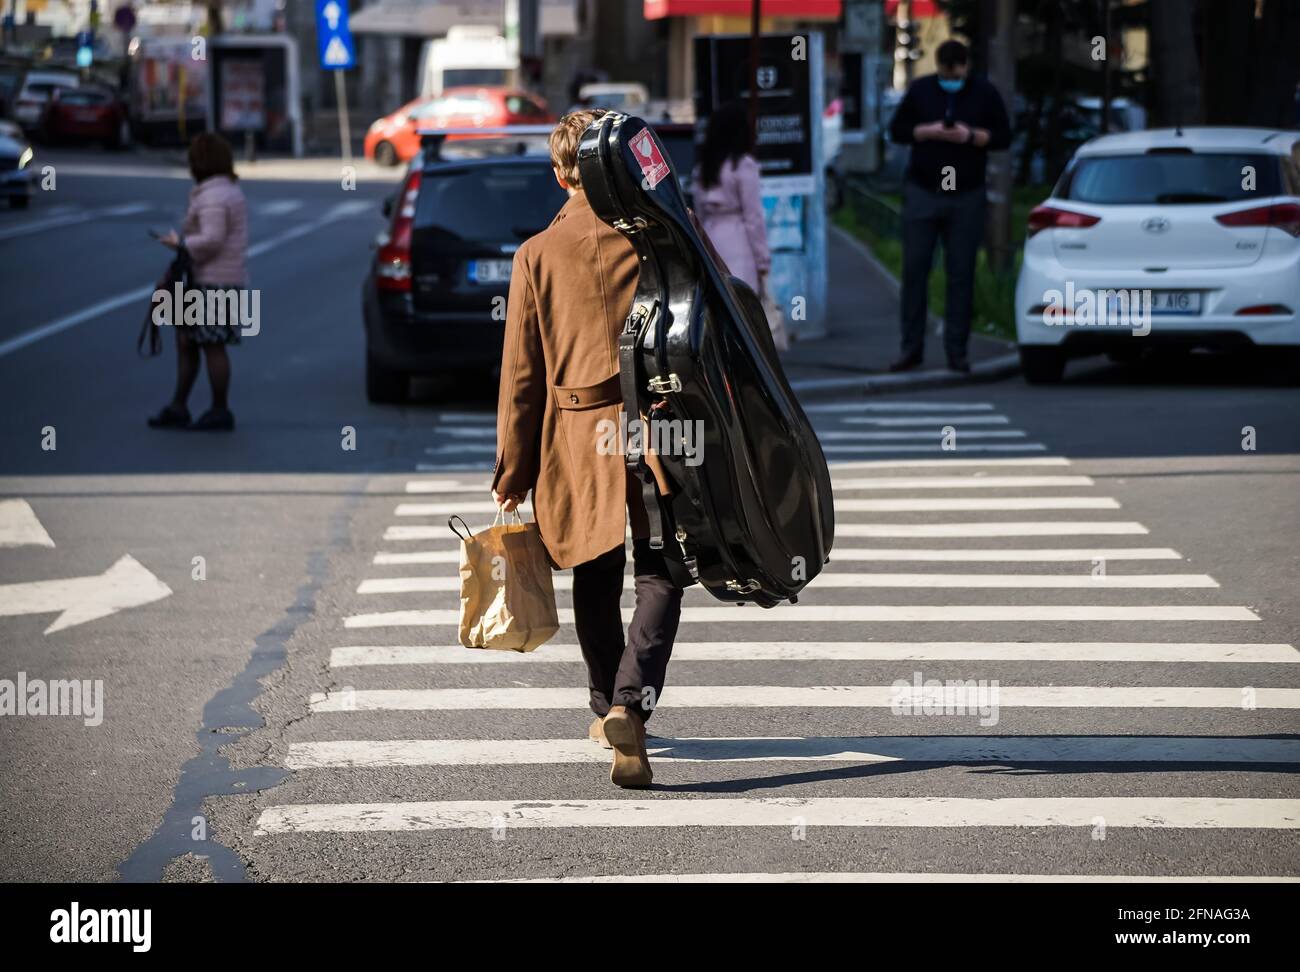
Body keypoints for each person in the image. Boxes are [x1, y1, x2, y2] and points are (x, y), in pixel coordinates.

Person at [491, 108, 683, 789]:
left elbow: (522, 374)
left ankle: (607, 707)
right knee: (660, 570)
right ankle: (634, 699)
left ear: (558, 174)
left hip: (579, 435)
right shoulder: (655, 233)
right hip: (658, 427)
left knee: (595, 575)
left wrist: (513, 468)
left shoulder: (536, 255)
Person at [888, 38, 1010, 373]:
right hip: (924, 190)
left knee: (961, 273)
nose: (952, 78)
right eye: (947, 73)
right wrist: (926, 131)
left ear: (967, 67)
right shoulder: (922, 90)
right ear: (939, 67)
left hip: (965, 193)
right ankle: (910, 348)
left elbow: (1003, 136)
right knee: (915, 271)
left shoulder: (984, 92)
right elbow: (896, 130)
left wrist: (971, 136)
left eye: (958, 73)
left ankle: (957, 351)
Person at [148, 132, 248, 431]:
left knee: (211, 346)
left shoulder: (214, 196)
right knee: (188, 342)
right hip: (216, 278)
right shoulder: (226, 190)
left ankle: (219, 410)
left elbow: (213, 239)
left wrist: (180, 245)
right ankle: (180, 405)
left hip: (213, 281)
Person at [692, 101, 770, 294]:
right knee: (743, 308)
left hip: (710, 241)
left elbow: (697, 213)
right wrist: (762, 261)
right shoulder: (744, 165)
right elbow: (753, 218)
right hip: (739, 244)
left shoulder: (703, 168)